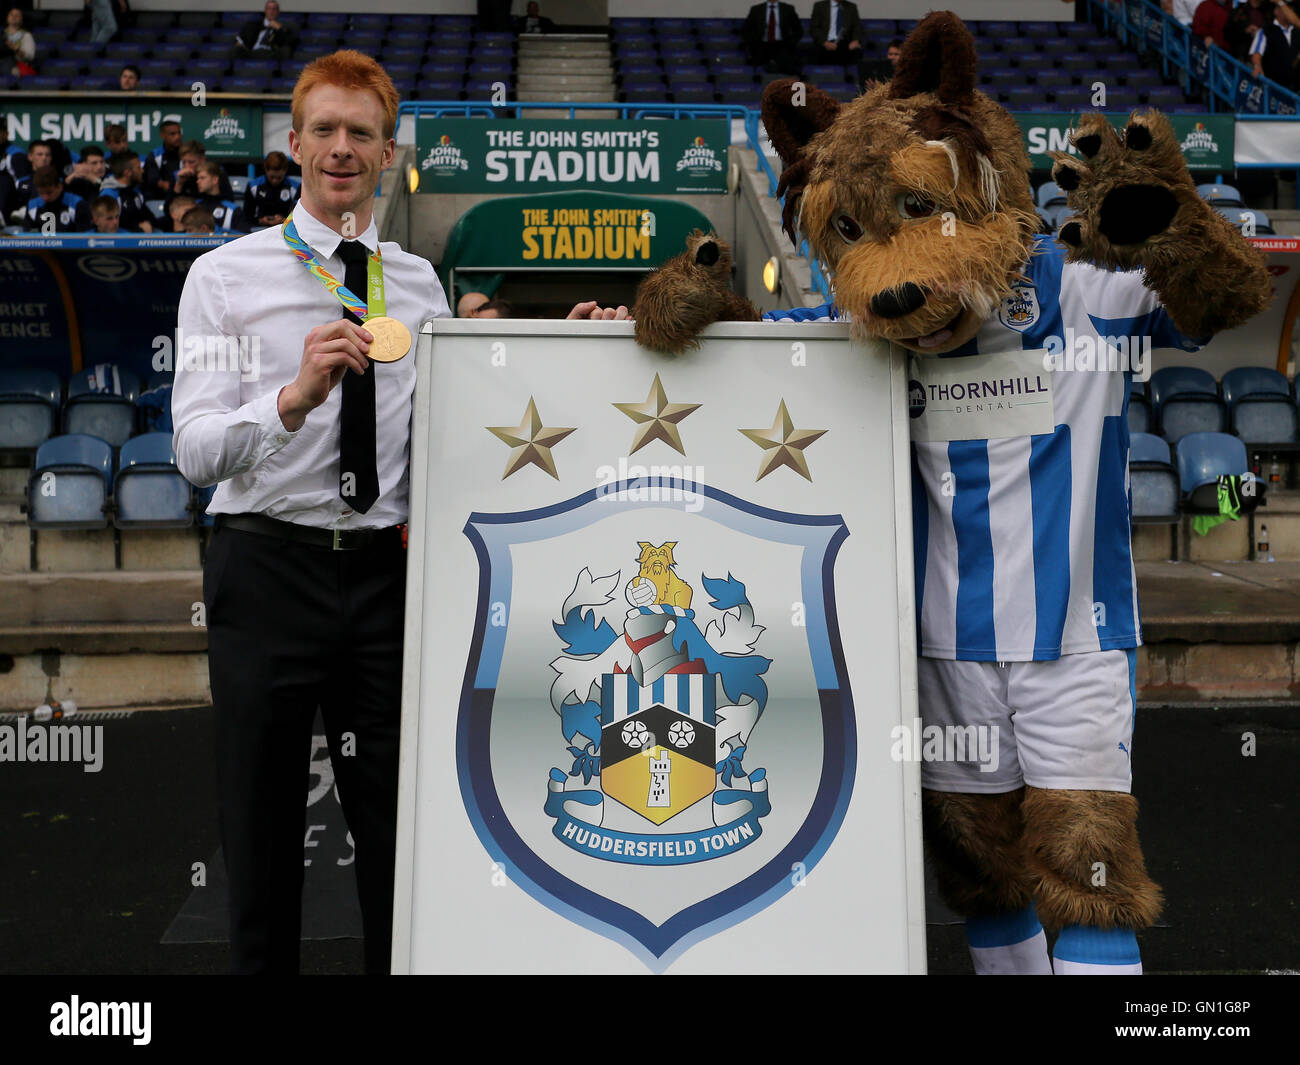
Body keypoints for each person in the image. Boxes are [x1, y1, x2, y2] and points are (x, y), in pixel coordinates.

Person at [171, 47, 452, 976]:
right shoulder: (222, 277)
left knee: (395, 829)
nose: (341, 147)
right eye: (324, 129)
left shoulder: (418, 287)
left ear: (388, 153)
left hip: (384, 576)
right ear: (294, 144)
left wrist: (568, 352)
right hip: (265, 569)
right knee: (257, 827)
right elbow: (195, 451)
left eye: (360, 133)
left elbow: (455, 433)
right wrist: (290, 399)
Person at [22, 166, 92, 232]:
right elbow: (28, 237)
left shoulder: (77, 204)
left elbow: (84, 238)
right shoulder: (32, 206)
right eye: (41, 193)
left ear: (59, 187)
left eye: (49, 193)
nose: (45, 197)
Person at [742, 0, 802, 74]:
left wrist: (791, 42)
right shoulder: (756, 9)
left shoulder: (788, 9)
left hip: (782, 45)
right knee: (754, 65)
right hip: (761, 44)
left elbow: (798, 30)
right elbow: (746, 30)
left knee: (790, 66)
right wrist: (753, 42)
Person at [101, 150, 156, 232]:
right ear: (127, 173)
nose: (142, 171)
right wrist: (139, 230)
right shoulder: (109, 195)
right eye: (138, 168)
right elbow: (108, 227)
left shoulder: (136, 192)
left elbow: (150, 218)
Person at [243, 150, 299, 227]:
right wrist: (260, 221)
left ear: (285, 171)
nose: (275, 181)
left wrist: (284, 220)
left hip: (286, 228)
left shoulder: (295, 188)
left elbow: (298, 217)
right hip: (259, 229)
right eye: (271, 177)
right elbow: (247, 217)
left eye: (279, 177)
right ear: (266, 170)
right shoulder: (253, 187)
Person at [1249, 2, 1300, 84]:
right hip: (1271, 85)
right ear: (1276, 11)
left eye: (1290, 9)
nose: (1289, 11)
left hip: (1292, 88)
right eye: (1285, 8)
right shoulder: (1266, 30)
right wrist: (1257, 65)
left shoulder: (1297, 32)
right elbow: (1256, 52)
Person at [194, 160, 249, 231]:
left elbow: (244, 235)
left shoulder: (232, 209)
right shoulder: (195, 205)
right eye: (197, 178)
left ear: (215, 180)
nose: (198, 181)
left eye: (202, 178)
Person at [810, 0, 863, 65]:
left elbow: (857, 26)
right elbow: (814, 28)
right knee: (816, 51)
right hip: (825, 41)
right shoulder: (820, 6)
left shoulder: (851, 7)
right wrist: (824, 42)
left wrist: (855, 40)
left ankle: (848, 74)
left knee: (856, 50)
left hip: (845, 42)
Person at [143, 119, 183, 199]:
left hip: (183, 195)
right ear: (163, 135)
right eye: (173, 134)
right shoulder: (155, 155)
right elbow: (154, 181)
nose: (178, 137)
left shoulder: (186, 153)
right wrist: (171, 187)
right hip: (160, 197)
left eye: (179, 133)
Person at [5, 7, 36, 78]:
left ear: (21, 20)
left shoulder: (26, 35)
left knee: (14, 72)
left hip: (17, 65)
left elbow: (30, 56)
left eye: (17, 15)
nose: (13, 17)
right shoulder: (2, 34)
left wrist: (16, 49)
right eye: (11, 15)